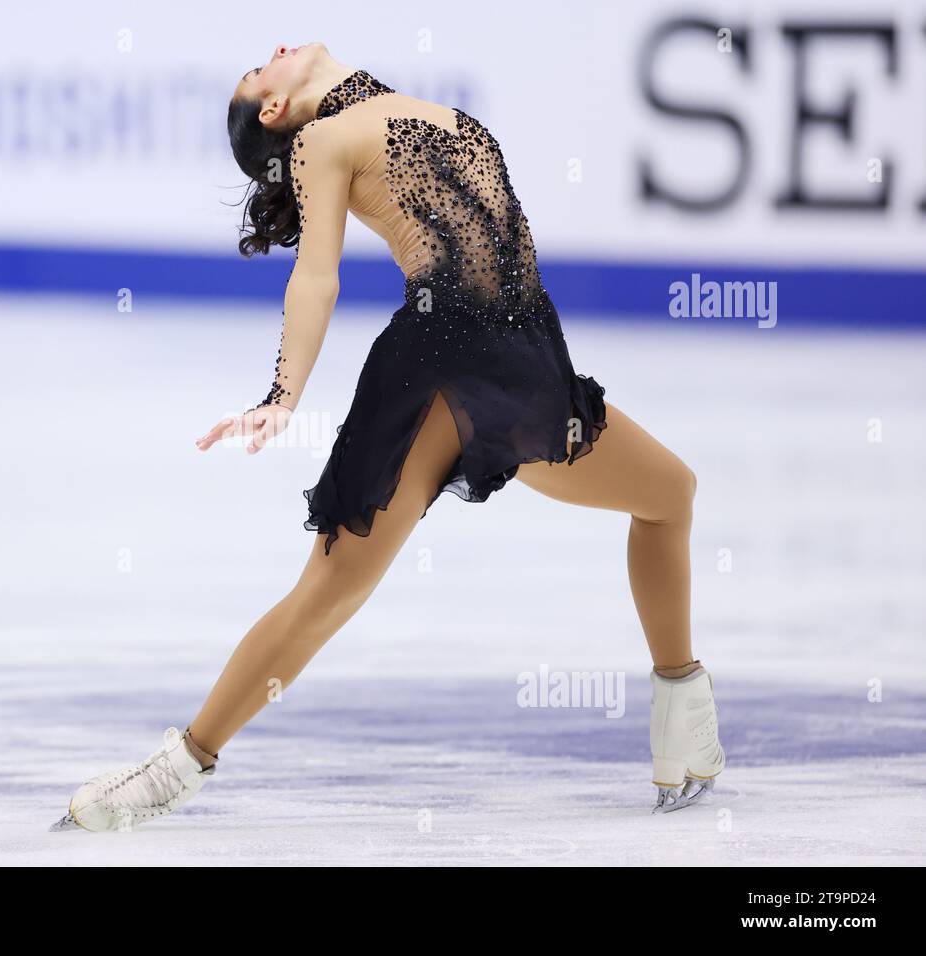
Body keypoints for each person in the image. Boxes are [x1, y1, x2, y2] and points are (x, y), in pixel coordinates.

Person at [53, 43, 724, 832]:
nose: (268, 54)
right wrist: (282, 393)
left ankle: (683, 716)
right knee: (330, 593)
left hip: (528, 360)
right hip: (441, 366)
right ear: (274, 112)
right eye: (255, 73)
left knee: (669, 493)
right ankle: (175, 769)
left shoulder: (393, 106)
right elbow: (317, 274)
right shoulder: (318, 141)